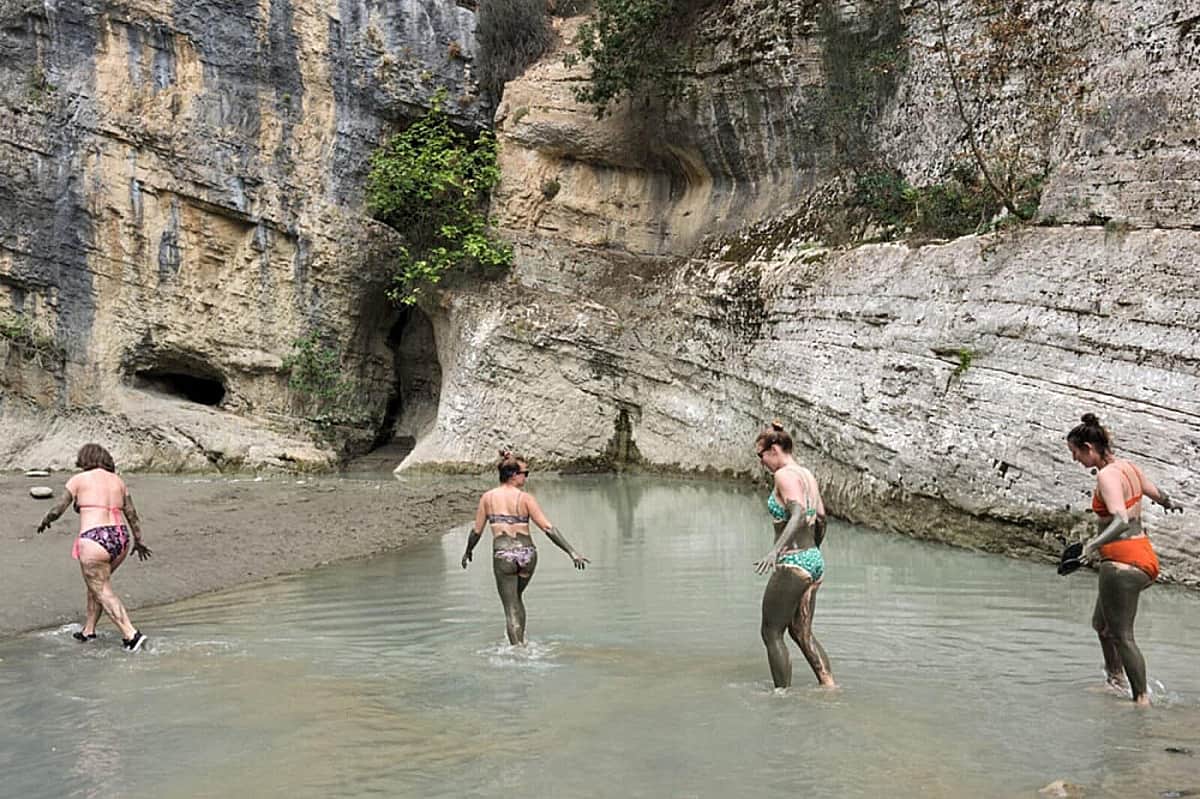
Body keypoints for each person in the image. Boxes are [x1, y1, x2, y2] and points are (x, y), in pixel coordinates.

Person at [1067, 413, 1181, 704]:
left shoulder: (1107, 476)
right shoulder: (1128, 467)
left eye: (1076, 452)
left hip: (1123, 563)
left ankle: (1141, 700)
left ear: (1089, 449)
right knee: (1102, 626)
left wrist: (1091, 546)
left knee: (1122, 635)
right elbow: (1158, 494)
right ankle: (1115, 682)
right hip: (1141, 555)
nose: (1075, 459)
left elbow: (1118, 519)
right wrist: (1170, 503)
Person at [461, 450, 588, 645]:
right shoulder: (526, 498)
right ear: (513, 475)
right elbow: (548, 527)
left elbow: (476, 531)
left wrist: (468, 550)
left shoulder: (488, 498)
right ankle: (522, 641)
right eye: (525, 473)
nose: (526, 477)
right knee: (517, 597)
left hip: (504, 555)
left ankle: (517, 650)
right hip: (528, 555)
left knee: (510, 606)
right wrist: (572, 552)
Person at [36, 443, 152, 651]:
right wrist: (139, 541)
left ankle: (131, 635)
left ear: (84, 459)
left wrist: (46, 520)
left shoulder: (78, 480)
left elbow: (58, 508)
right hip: (120, 538)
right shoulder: (118, 481)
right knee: (97, 585)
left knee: (101, 588)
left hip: (95, 538)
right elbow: (132, 514)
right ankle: (88, 631)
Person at [753, 422, 836, 690]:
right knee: (801, 632)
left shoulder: (784, 475)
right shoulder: (807, 475)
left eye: (761, 455)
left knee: (771, 632)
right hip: (812, 560)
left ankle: (781, 697)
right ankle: (829, 685)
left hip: (793, 561)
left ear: (774, 449)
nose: (761, 462)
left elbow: (799, 513)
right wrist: (814, 553)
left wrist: (776, 551)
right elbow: (821, 518)